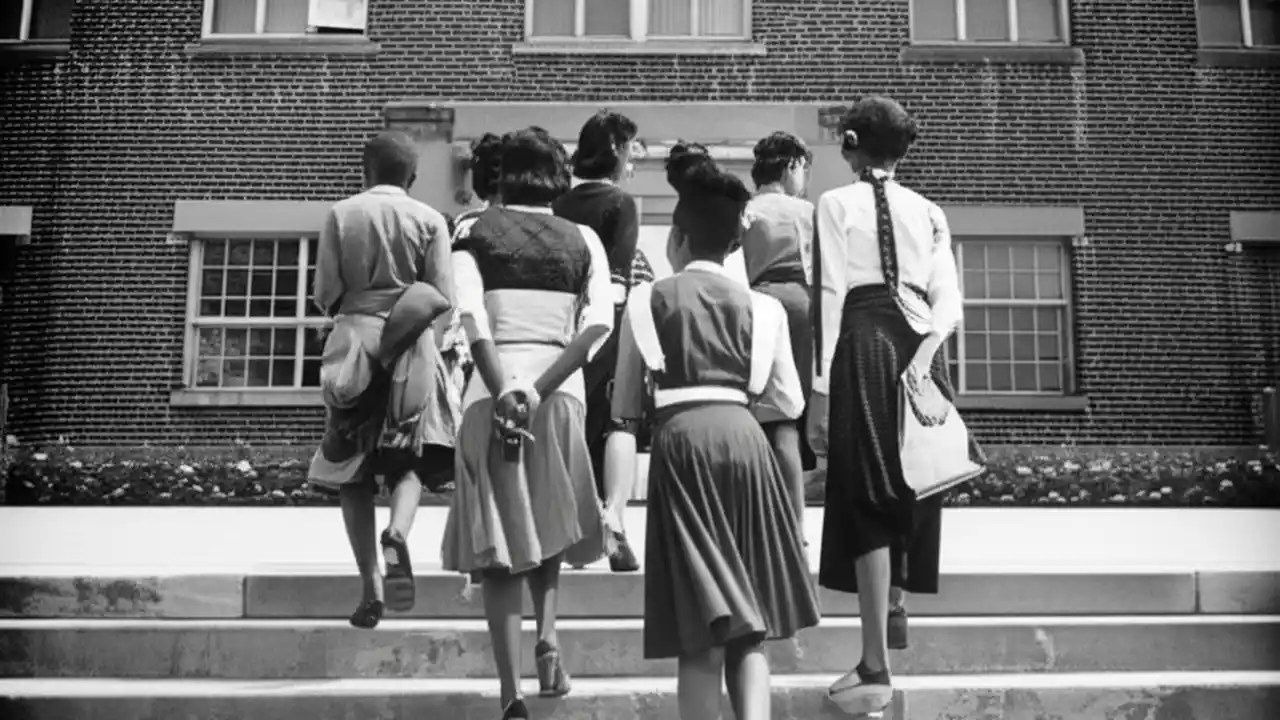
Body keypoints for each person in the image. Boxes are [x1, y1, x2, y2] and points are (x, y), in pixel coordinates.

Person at [608, 144, 821, 720]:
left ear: (676, 239)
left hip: (681, 446)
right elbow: (789, 402)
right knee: (749, 625)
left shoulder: (645, 302)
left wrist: (613, 507)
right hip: (745, 441)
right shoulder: (764, 308)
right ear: (735, 243)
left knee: (697, 628)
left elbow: (626, 407)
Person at [811, 96, 981, 715]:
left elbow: (830, 292)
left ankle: (873, 662)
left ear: (853, 143)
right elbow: (949, 302)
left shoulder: (834, 203)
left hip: (861, 341)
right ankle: (898, 594)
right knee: (916, 477)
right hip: (921, 343)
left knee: (866, 493)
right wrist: (924, 354)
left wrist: (820, 389)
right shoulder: (930, 210)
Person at [441, 127, 612, 720]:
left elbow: (469, 317)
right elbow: (596, 327)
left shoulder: (471, 230)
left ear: (502, 174)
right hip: (559, 396)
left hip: (489, 397)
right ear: (558, 176)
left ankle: (511, 692)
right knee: (549, 527)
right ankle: (548, 640)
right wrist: (537, 392)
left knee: (499, 548)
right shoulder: (584, 237)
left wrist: (506, 390)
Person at [307, 130, 458, 629]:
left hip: (354, 344)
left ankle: (369, 584)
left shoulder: (342, 213)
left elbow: (326, 290)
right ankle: (397, 530)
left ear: (365, 171)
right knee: (407, 457)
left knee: (349, 466)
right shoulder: (431, 218)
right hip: (411, 344)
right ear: (412, 176)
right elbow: (441, 294)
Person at [551, 109, 648, 572]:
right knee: (618, 423)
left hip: (564, 325)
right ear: (616, 149)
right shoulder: (622, 204)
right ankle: (615, 519)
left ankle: (573, 529)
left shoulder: (559, 206)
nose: (634, 158)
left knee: (574, 425)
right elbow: (620, 278)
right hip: (609, 322)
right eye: (632, 148)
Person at [740, 131, 817, 540]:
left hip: (755, 305)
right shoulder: (806, 212)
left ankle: (761, 516)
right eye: (804, 167)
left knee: (762, 414)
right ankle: (794, 523)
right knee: (790, 414)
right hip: (803, 308)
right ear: (791, 165)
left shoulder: (746, 211)